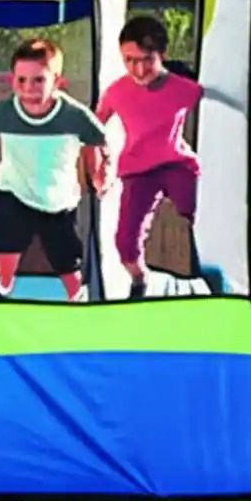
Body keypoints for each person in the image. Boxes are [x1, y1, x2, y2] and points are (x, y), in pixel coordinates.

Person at [0, 38, 108, 302]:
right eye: (21, 81)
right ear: (12, 81)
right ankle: (4, 285)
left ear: (57, 81)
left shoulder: (75, 115)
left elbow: (96, 142)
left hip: (58, 198)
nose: (29, 89)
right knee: (5, 240)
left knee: (66, 257)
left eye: (39, 81)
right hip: (13, 188)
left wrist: (99, 174)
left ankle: (76, 296)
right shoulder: (2, 112)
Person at [94, 15, 204, 300]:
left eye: (147, 60)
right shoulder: (117, 92)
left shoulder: (186, 89)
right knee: (125, 244)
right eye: (129, 60)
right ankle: (139, 279)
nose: (138, 68)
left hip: (176, 164)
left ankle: (208, 271)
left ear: (162, 55)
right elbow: (93, 127)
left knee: (198, 212)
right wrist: (99, 166)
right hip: (138, 169)